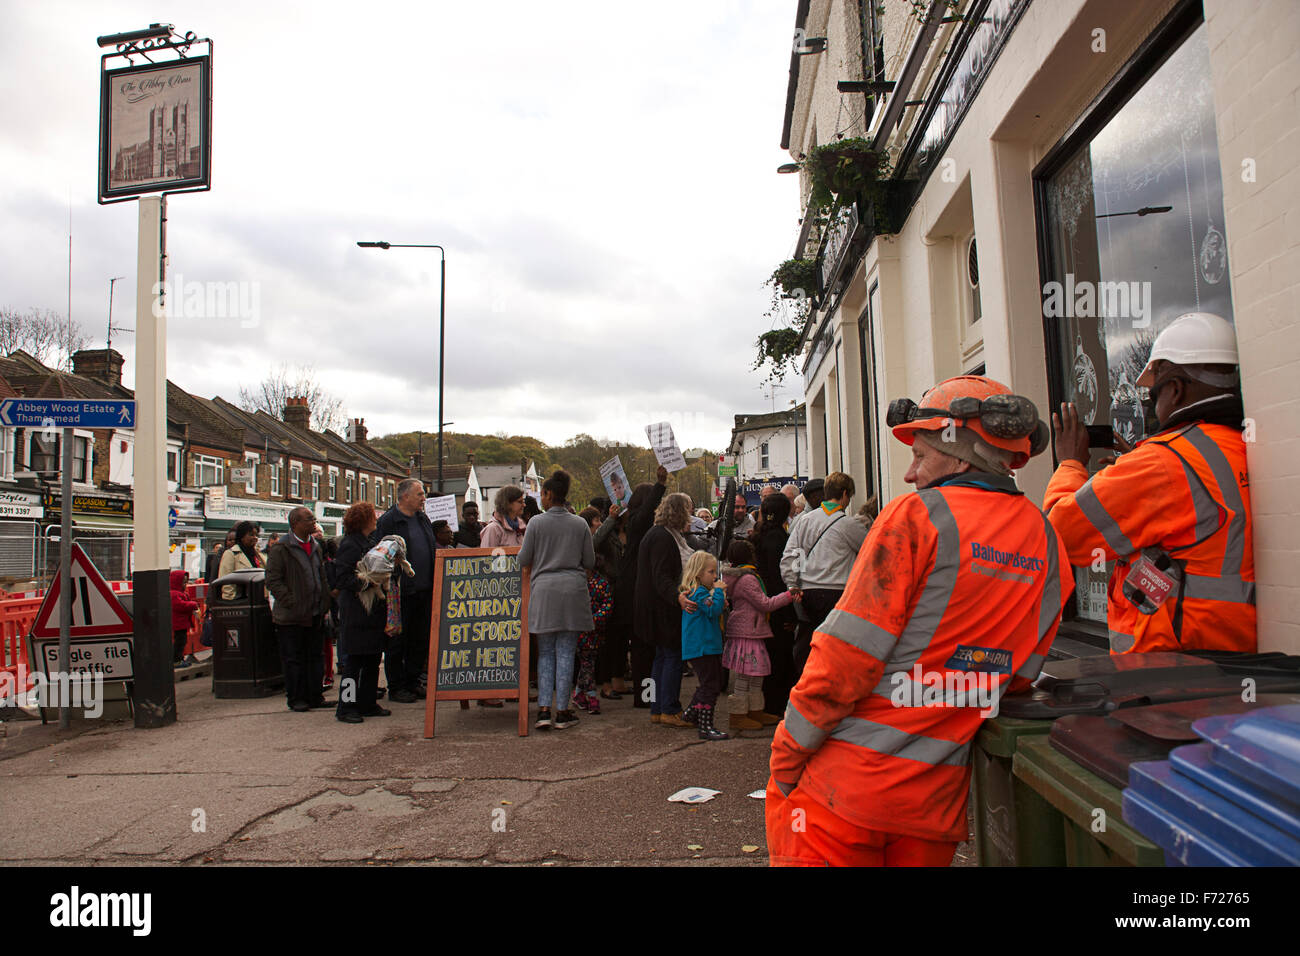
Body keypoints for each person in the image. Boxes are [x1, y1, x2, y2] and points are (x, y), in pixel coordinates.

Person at [766, 374, 1072, 867]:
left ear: (958, 455)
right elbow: (1017, 676)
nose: (910, 474)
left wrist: (786, 755)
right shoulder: (1047, 541)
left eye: (920, 456)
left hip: (843, 795)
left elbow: (845, 657)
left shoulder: (915, 517)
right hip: (933, 808)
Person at [1045, 312, 1255, 654]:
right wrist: (1137, 472)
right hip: (1239, 652)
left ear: (1175, 389)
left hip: (1171, 668)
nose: (1152, 406)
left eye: (1154, 395)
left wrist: (1070, 462)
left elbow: (1061, 535)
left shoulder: (1162, 461)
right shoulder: (1244, 445)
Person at [518, 470, 595, 730]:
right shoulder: (580, 524)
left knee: (546, 652)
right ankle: (563, 711)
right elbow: (590, 562)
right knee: (566, 652)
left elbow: (523, 559)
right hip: (573, 591)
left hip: (544, 592)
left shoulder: (536, 524)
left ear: (550, 494)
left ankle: (542, 710)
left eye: (543, 494)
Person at [780, 472, 869, 680]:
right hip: (838, 594)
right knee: (836, 648)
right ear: (845, 495)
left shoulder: (805, 521)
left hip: (807, 593)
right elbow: (871, 553)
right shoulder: (849, 525)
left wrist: (792, 585)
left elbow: (790, 556)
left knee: (808, 647)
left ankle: (806, 686)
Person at [372, 479, 437, 703]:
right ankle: (397, 685)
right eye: (419, 494)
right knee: (398, 641)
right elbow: (380, 554)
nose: (423, 498)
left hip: (424, 589)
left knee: (419, 639)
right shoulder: (390, 521)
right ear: (405, 496)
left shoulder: (422, 518)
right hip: (400, 592)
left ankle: (413, 680)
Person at [636, 491, 696, 728]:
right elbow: (661, 575)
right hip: (662, 608)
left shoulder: (660, 534)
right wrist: (677, 597)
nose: (690, 512)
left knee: (662, 657)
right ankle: (669, 708)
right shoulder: (663, 537)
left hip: (655, 606)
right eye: (688, 508)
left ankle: (657, 708)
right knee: (671, 656)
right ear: (679, 511)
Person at [723, 538, 794, 733]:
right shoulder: (748, 579)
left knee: (756, 674)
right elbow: (765, 604)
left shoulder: (736, 576)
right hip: (748, 632)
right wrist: (789, 596)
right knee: (746, 675)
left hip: (749, 630)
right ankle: (738, 715)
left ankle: (755, 710)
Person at [266, 507, 331, 713]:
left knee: (315, 656)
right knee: (294, 659)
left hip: (314, 612)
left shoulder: (316, 546)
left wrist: (324, 601)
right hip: (291, 616)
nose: (313, 522)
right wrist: (292, 601)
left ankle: (315, 695)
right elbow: (273, 581)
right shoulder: (281, 548)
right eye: (309, 519)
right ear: (295, 523)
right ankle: (296, 698)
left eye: (313, 518)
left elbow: (321, 576)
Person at [333, 502, 392, 723]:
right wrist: (369, 581)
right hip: (357, 611)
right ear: (363, 520)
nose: (376, 520)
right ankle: (346, 706)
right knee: (354, 663)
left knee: (372, 659)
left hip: (372, 611)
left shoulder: (370, 542)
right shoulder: (349, 545)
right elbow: (343, 578)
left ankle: (367, 702)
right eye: (372, 517)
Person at [618, 466, 669, 707]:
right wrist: (660, 486)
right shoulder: (638, 523)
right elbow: (647, 510)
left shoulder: (636, 525)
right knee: (642, 648)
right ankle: (645, 696)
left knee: (643, 647)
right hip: (636, 592)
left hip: (634, 589)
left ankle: (646, 694)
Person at [754, 492, 798, 717]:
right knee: (780, 656)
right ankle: (776, 704)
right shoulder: (779, 538)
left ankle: (772, 701)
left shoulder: (762, 535)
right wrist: (790, 613)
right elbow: (780, 577)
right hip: (777, 606)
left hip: (764, 605)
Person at [679, 550, 728, 741]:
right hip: (702, 646)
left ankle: (691, 713)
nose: (715, 577)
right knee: (710, 685)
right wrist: (719, 593)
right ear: (699, 573)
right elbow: (713, 611)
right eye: (711, 572)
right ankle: (705, 725)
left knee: (710, 683)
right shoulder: (699, 592)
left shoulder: (700, 592)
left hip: (707, 645)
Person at [573, 553, 614, 715]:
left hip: (592, 630)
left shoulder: (600, 584)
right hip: (583, 631)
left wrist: (593, 619)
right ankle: (590, 695)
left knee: (587, 662)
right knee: (587, 662)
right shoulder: (580, 583)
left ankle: (579, 694)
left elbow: (607, 605)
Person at [217, 521, 264, 600]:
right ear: (242, 537)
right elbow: (226, 582)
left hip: (258, 600)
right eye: (251, 535)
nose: (255, 537)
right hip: (240, 603)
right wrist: (231, 603)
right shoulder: (231, 554)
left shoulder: (257, 554)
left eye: (256, 535)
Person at [169, 569, 198, 668]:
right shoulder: (175, 594)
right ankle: (176, 660)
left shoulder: (179, 593)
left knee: (181, 642)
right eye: (183, 582)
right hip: (179, 623)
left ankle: (179, 659)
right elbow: (180, 605)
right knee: (179, 642)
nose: (185, 584)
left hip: (181, 623)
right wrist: (193, 604)